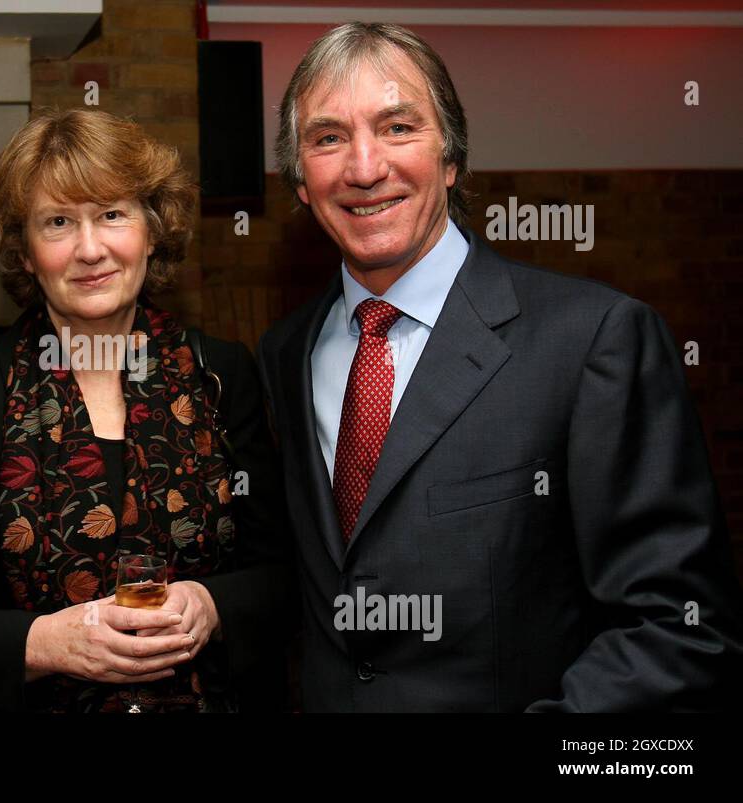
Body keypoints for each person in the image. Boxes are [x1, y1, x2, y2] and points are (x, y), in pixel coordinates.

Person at [259, 21, 743, 711]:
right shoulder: (287, 352)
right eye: (328, 138)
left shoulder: (593, 340)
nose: (364, 168)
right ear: (301, 181)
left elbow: (682, 630)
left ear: (452, 160)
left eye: (398, 128)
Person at [0, 109, 295, 712]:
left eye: (113, 215)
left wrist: (211, 607)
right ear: (23, 252)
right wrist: (42, 644)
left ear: (153, 231)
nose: (90, 249)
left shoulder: (223, 374)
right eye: (59, 222)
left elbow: (281, 577)